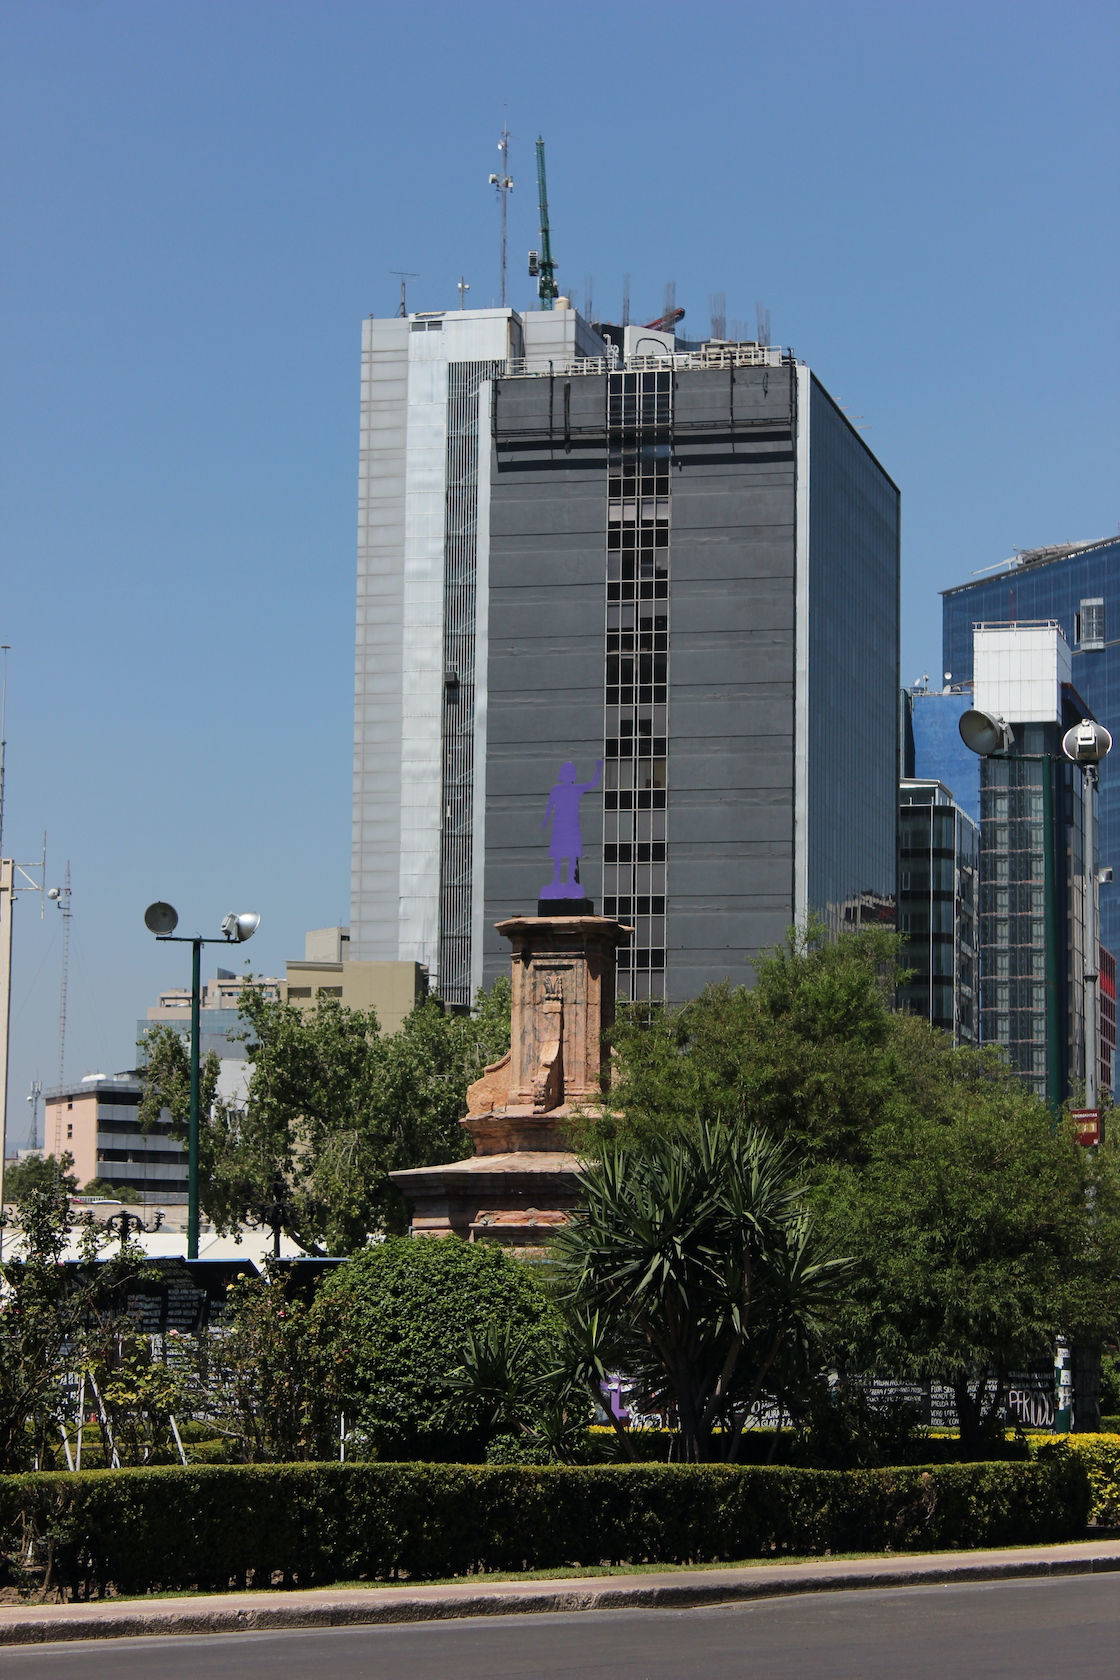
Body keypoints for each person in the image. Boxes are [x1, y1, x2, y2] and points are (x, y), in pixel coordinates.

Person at [541, 759, 603, 897]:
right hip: (559, 825)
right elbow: (550, 806)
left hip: (572, 825)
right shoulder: (556, 789)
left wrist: (598, 768)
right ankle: (556, 880)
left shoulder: (576, 789)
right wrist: (545, 820)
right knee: (558, 855)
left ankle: (570, 881)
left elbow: (592, 783)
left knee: (572, 855)